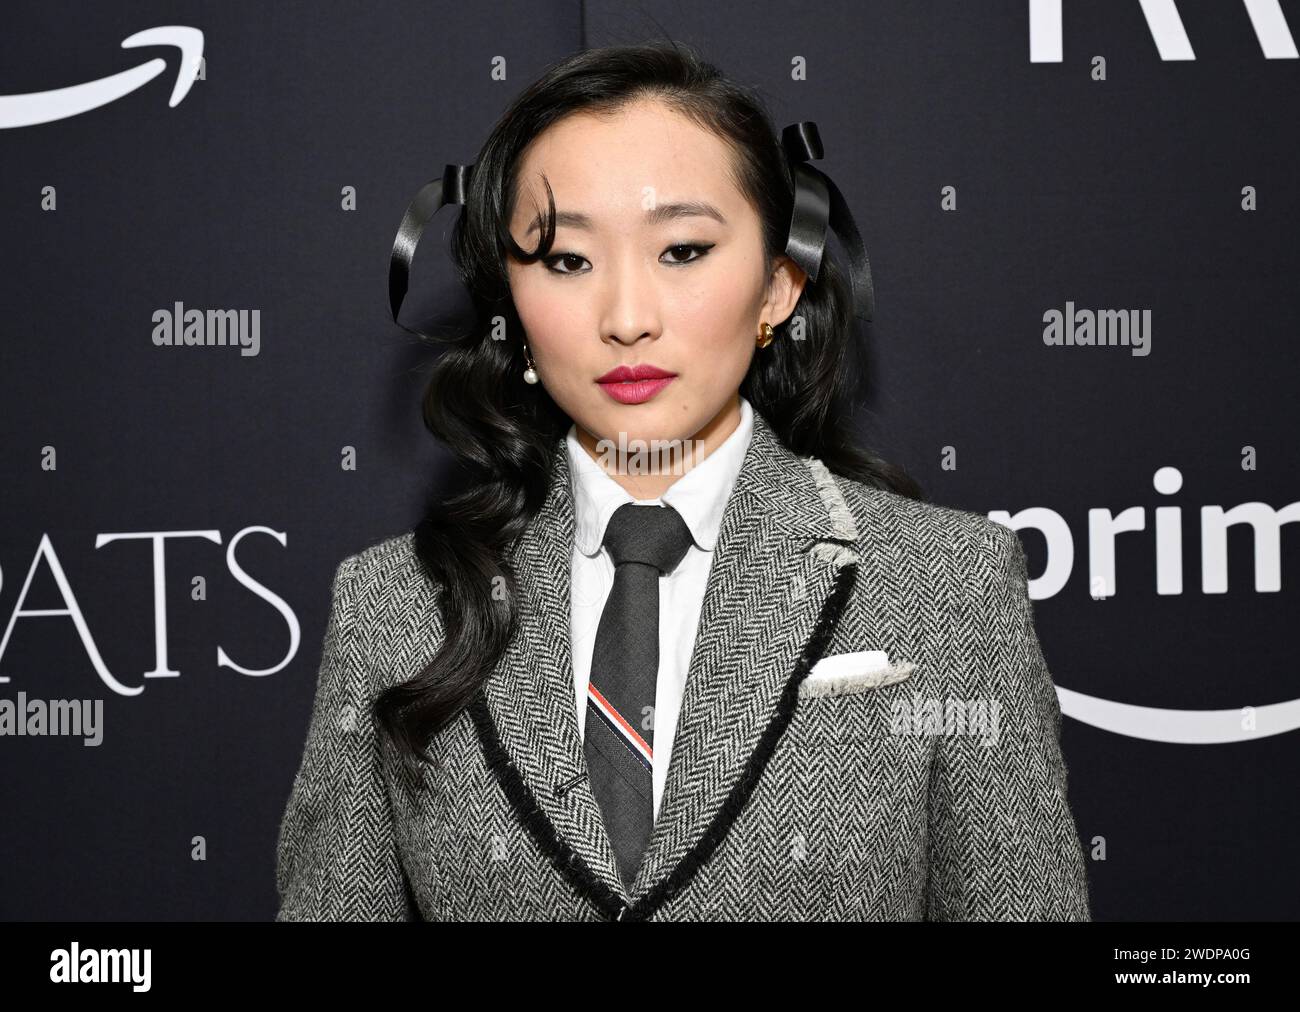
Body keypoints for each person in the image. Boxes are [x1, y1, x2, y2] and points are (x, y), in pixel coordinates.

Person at [274, 40, 1091, 921]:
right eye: (566, 261)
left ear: (780, 284)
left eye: (684, 250)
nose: (627, 319)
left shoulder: (947, 588)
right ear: (508, 301)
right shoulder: (392, 605)